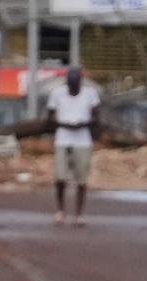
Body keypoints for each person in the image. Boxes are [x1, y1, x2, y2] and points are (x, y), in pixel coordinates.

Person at [47, 67, 101, 227]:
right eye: (71, 84)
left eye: (76, 84)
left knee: (81, 179)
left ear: (80, 82)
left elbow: (97, 117)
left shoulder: (90, 93)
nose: (73, 88)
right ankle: (60, 210)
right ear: (67, 83)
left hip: (82, 140)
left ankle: (79, 214)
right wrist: (63, 124)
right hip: (62, 139)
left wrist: (83, 124)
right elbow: (49, 118)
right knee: (60, 177)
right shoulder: (57, 93)